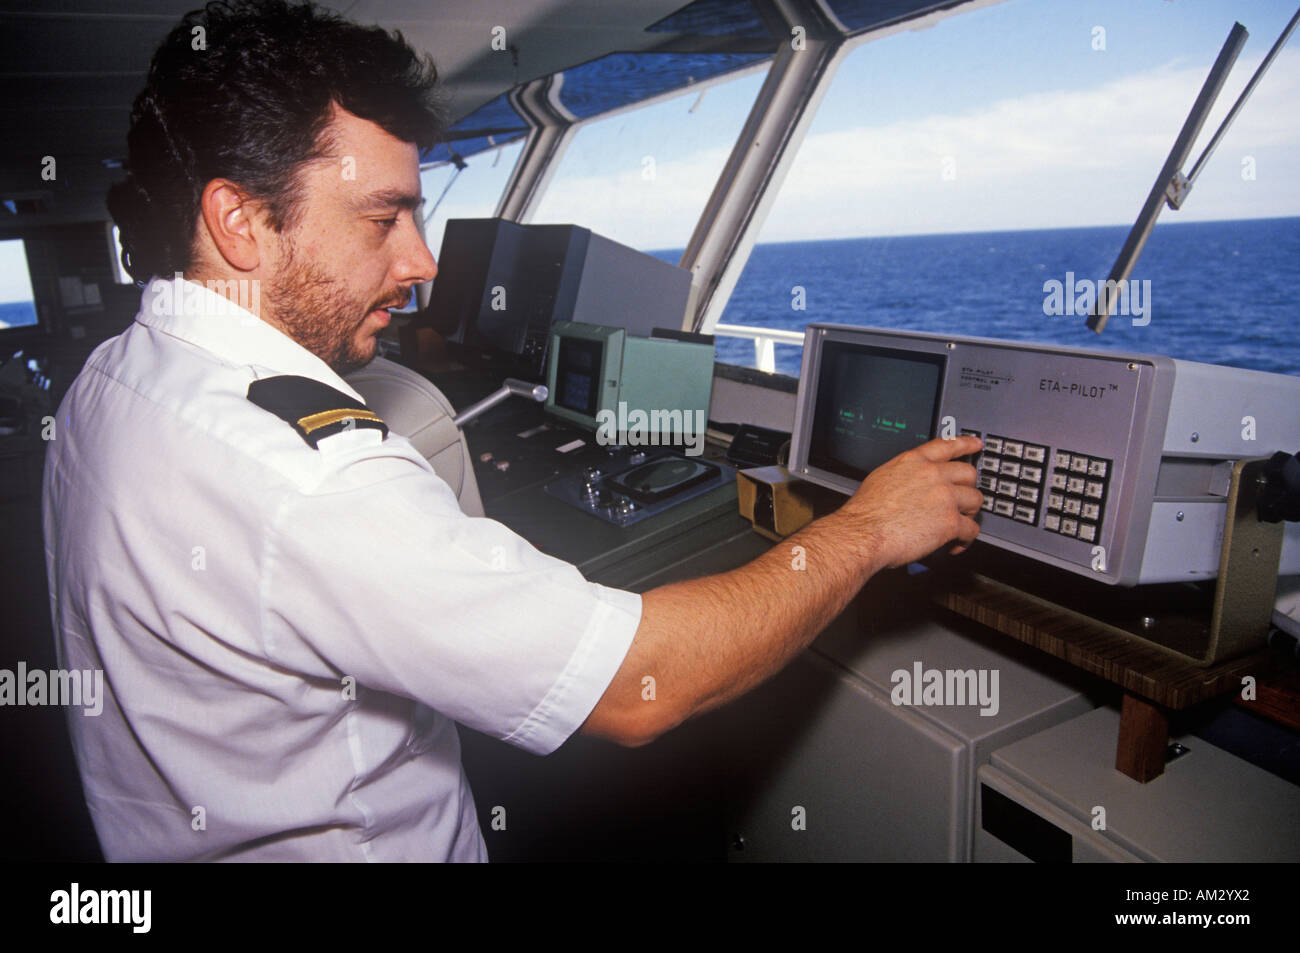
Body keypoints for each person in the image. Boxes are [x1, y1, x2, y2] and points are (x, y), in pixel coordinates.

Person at [42, 0, 982, 862]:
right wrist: (869, 529)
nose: (419, 261)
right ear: (241, 222)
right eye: (385, 217)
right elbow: (638, 685)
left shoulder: (112, 381)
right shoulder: (308, 472)